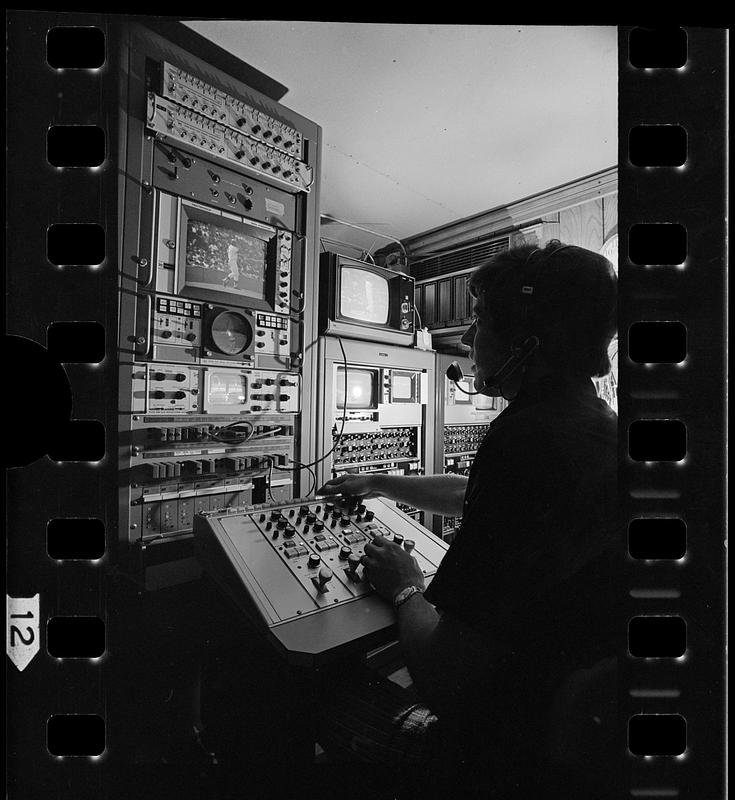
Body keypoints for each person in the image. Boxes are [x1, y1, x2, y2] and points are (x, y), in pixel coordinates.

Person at [315, 240, 621, 797]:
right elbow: (474, 495)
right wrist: (379, 481)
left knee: (319, 699)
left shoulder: (525, 438)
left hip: (509, 750)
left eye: (480, 322)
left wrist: (407, 587)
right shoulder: (594, 425)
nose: (469, 340)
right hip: (578, 730)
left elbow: (444, 677)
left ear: (525, 344)